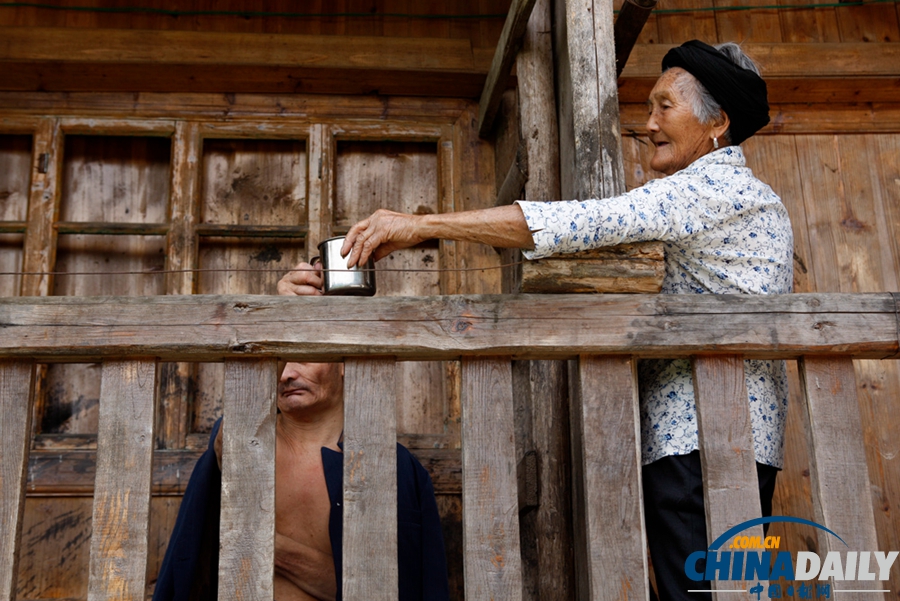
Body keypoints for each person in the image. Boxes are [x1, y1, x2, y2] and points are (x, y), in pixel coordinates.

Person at [338, 40, 792, 601]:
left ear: (717, 121)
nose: (648, 124)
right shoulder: (738, 194)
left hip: (704, 439)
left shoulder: (713, 188)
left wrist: (422, 226)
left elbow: (582, 222)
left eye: (664, 106)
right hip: (723, 440)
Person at [153, 261, 449, 601]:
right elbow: (232, 434)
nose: (286, 374)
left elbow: (385, 587)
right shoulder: (241, 438)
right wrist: (274, 317)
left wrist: (260, 539)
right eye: (281, 356)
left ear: (344, 362)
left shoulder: (397, 468)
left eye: (304, 354)